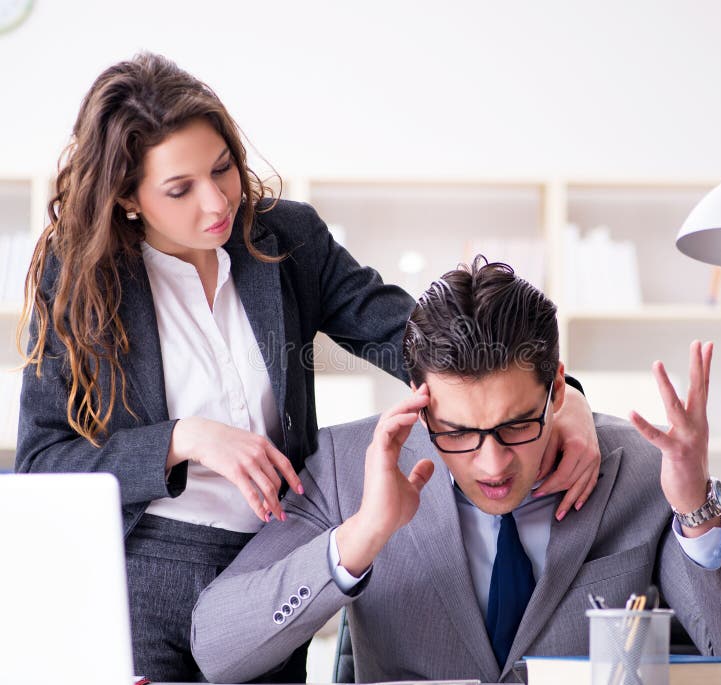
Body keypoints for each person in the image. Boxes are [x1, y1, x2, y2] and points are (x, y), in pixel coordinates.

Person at [14, 54, 601, 683]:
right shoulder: (79, 278)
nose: (216, 201)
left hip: (273, 564)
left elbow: (426, 344)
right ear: (128, 197)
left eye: (222, 168)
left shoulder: (288, 239)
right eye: (180, 189)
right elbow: (43, 463)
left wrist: (565, 402)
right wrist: (184, 439)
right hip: (143, 574)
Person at [191, 256, 721, 684]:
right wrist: (362, 535)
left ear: (557, 389)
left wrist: (695, 508)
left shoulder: (643, 470)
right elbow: (216, 651)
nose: (492, 462)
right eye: (457, 432)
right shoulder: (349, 467)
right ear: (419, 398)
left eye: (516, 425)